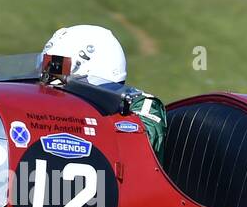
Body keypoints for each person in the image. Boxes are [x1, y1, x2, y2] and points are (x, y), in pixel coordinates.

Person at [40, 25, 167, 154]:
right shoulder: (53, 106)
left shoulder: (140, 105)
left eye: (58, 68)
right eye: (47, 65)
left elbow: (139, 149)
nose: (50, 78)